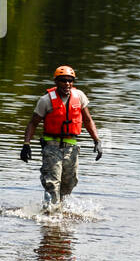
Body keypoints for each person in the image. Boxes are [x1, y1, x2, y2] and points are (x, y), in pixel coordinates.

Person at [20, 66, 101, 210]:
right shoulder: (45, 100)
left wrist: (97, 141)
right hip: (52, 146)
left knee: (69, 183)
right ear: (56, 81)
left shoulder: (80, 96)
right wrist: (26, 144)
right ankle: (50, 213)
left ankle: (59, 209)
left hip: (71, 147)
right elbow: (33, 123)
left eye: (70, 81)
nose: (67, 84)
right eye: (63, 81)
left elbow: (88, 120)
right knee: (52, 182)